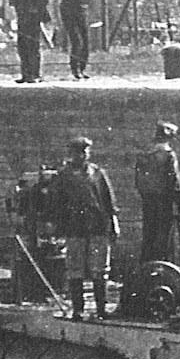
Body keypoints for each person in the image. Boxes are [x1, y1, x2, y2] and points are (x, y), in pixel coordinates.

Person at [45, 135, 119, 319]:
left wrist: (114, 225)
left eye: (86, 151)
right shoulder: (63, 176)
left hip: (98, 227)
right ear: (72, 154)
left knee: (100, 270)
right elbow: (56, 204)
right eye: (79, 152)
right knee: (75, 269)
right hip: (75, 228)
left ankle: (101, 309)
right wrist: (57, 227)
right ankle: (78, 309)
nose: (83, 155)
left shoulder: (98, 173)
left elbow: (109, 202)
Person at [133, 121, 180, 265]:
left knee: (149, 237)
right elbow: (175, 182)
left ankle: (145, 270)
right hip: (165, 201)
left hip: (148, 201)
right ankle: (162, 271)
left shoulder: (144, 154)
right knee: (164, 240)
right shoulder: (168, 155)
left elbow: (138, 182)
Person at [14, 0, 51, 84]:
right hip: (22, 22)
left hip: (32, 22)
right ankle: (25, 74)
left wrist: (34, 10)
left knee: (33, 48)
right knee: (22, 48)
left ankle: (35, 74)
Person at [59, 0, 94, 79]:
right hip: (72, 21)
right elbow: (63, 7)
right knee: (76, 43)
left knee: (85, 45)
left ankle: (82, 69)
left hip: (83, 21)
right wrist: (67, 20)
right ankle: (75, 70)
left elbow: (89, 7)